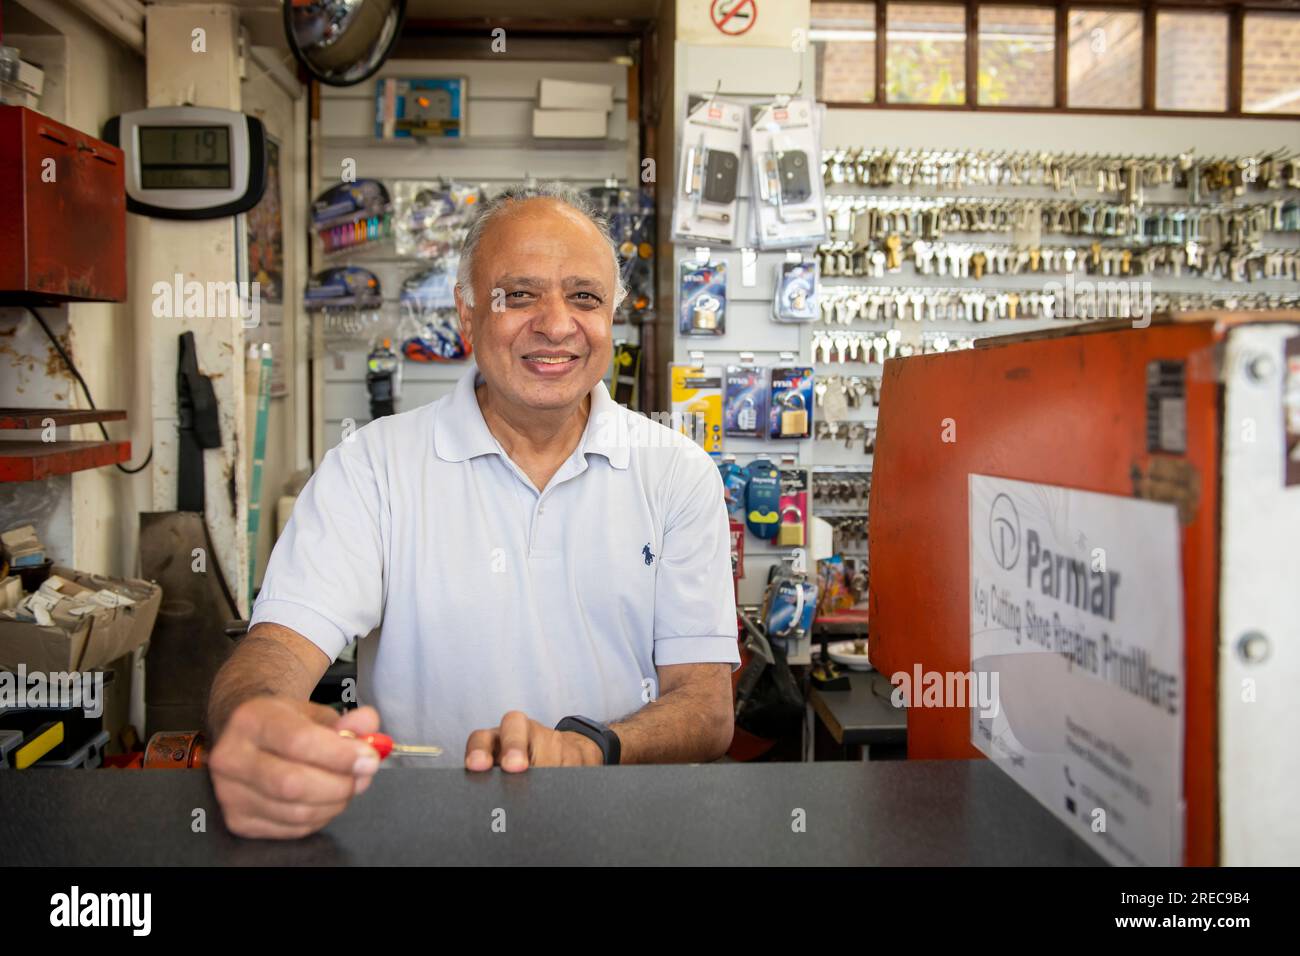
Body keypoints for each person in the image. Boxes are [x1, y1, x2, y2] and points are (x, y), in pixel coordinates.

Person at [207, 184, 739, 838]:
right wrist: (259, 720)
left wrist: (590, 746)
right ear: (465, 314)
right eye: (518, 295)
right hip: (417, 841)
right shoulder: (372, 466)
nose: (555, 323)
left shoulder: (679, 474)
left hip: (619, 838)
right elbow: (275, 653)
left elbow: (707, 709)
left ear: (612, 318)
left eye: (584, 296)